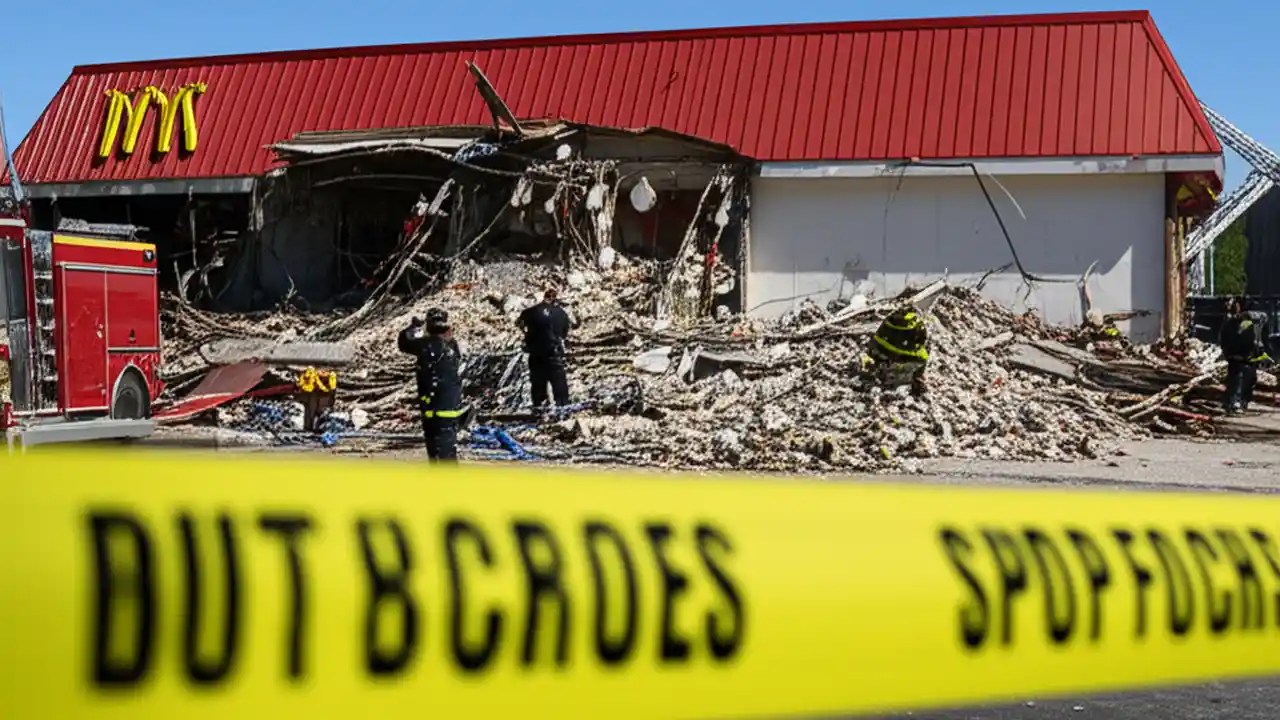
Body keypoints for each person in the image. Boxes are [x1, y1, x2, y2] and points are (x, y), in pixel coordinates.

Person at [398, 308, 463, 461]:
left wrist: (413, 327)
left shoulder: (426, 344)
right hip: (449, 408)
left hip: (432, 408)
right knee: (447, 452)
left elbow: (404, 343)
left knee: (436, 453)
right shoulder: (452, 346)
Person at [517, 288, 572, 409]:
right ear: (555, 299)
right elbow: (564, 332)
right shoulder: (561, 313)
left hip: (536, 353)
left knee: (538, 385)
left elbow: (519, 323)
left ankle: (539, 410)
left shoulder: (530, 312)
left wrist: (528, 335)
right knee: (559, 384)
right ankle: (563, 409)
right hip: (554, 353)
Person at [861, 304, 929, 397]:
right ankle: (914, 380)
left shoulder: (890, 318)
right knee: (923, 358)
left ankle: (878, 369)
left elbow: (878, 333)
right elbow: (921, 341)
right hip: (899, 354)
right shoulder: (916, 323)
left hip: (879, 348)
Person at [1219, 297, 1273, 414]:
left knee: (1244, 379)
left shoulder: (1252, 320)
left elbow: (1260, 337)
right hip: (1240, 354)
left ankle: (1238, 401)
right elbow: (1226, 338)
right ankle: (1234, 402)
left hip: (1246, 354)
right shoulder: (1234, 322)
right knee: (1237, 379)